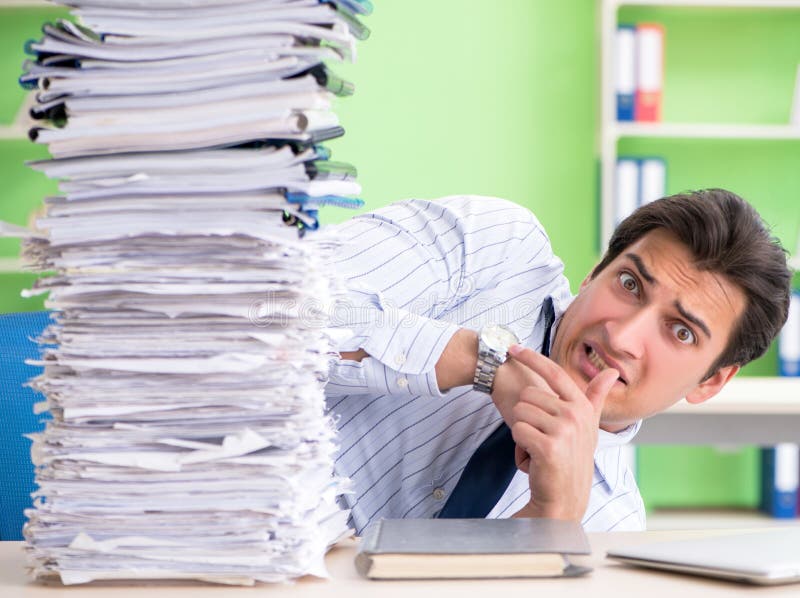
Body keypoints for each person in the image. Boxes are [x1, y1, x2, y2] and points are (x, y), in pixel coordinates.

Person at [324, 189, 791, 533]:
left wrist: (549, 525)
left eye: (681, 331)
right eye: (629, 284)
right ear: (593, 274)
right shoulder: (497, 250)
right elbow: (269, 305)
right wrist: (479, 360)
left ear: (710, 382)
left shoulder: (612, 525)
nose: (623, 336)